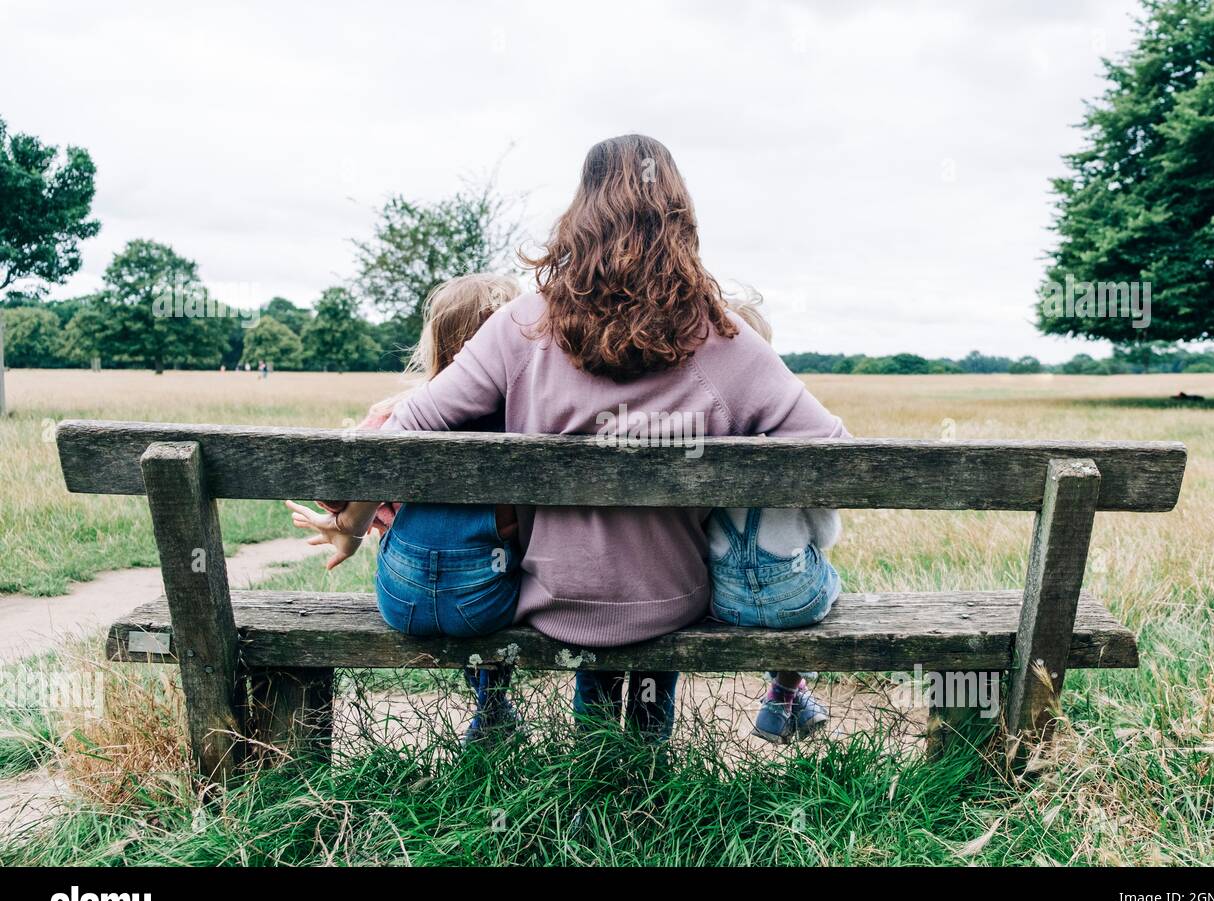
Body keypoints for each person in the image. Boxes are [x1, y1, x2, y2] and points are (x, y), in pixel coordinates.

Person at [301, 135, 847, 742]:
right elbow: (836, 457)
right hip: (671, 599)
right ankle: (644, 780)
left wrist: (347, 519)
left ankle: (590, 777)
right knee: (644, 653)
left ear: (579, 217)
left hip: (554, 598)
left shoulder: (519, 326)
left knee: (594, 652)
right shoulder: (726, 339)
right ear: (680, 221)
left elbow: (407, 430)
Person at [285, 274, 525, 744]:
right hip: (487, 604)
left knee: (435, 555)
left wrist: (344, 526)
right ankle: (492, 702)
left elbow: (335, 491)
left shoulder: (398, 415)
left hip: (401, 601)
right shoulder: (524, 422)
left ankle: (489, 704)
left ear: (435, 342)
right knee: (500, 560)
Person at [710, 289, 839, 743]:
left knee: (755, 592)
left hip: (725, 604)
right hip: (796, 599)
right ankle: (785, 690)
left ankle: (788, 697)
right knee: (819, 579)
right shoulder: (797, 440)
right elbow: (825, 534)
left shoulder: (698, 435)